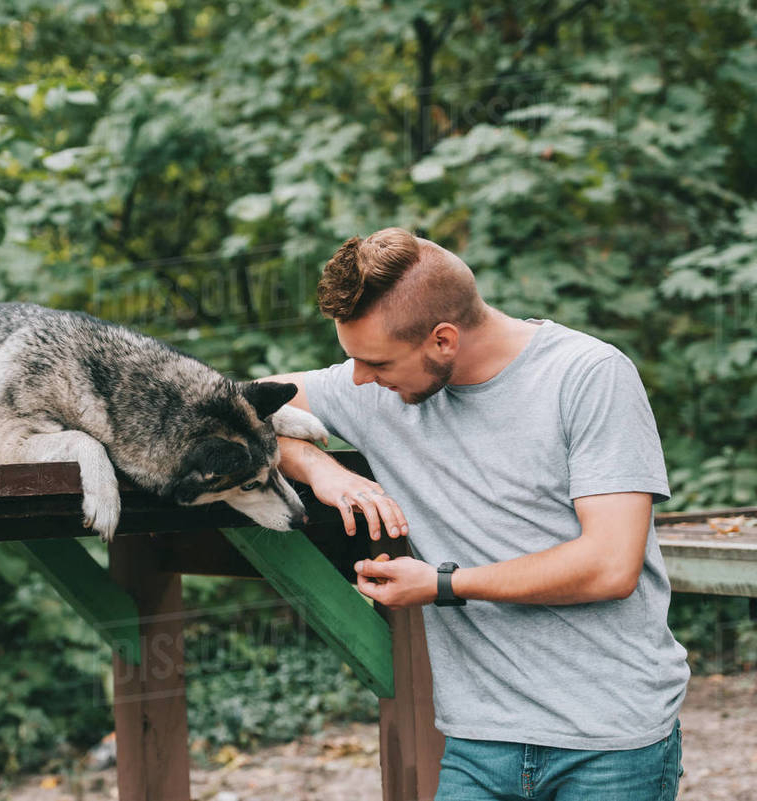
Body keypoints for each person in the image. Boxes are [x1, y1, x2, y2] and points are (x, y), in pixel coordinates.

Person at [266, 227, 689, 800]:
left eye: (374, 361)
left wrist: (442, 585)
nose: (359, 379)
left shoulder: (588, 376)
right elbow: (236, 404)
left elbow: (610, 566)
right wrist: (325, 471)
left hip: (610, 738)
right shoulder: (374, 386)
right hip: (477, 740)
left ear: (443, 341)